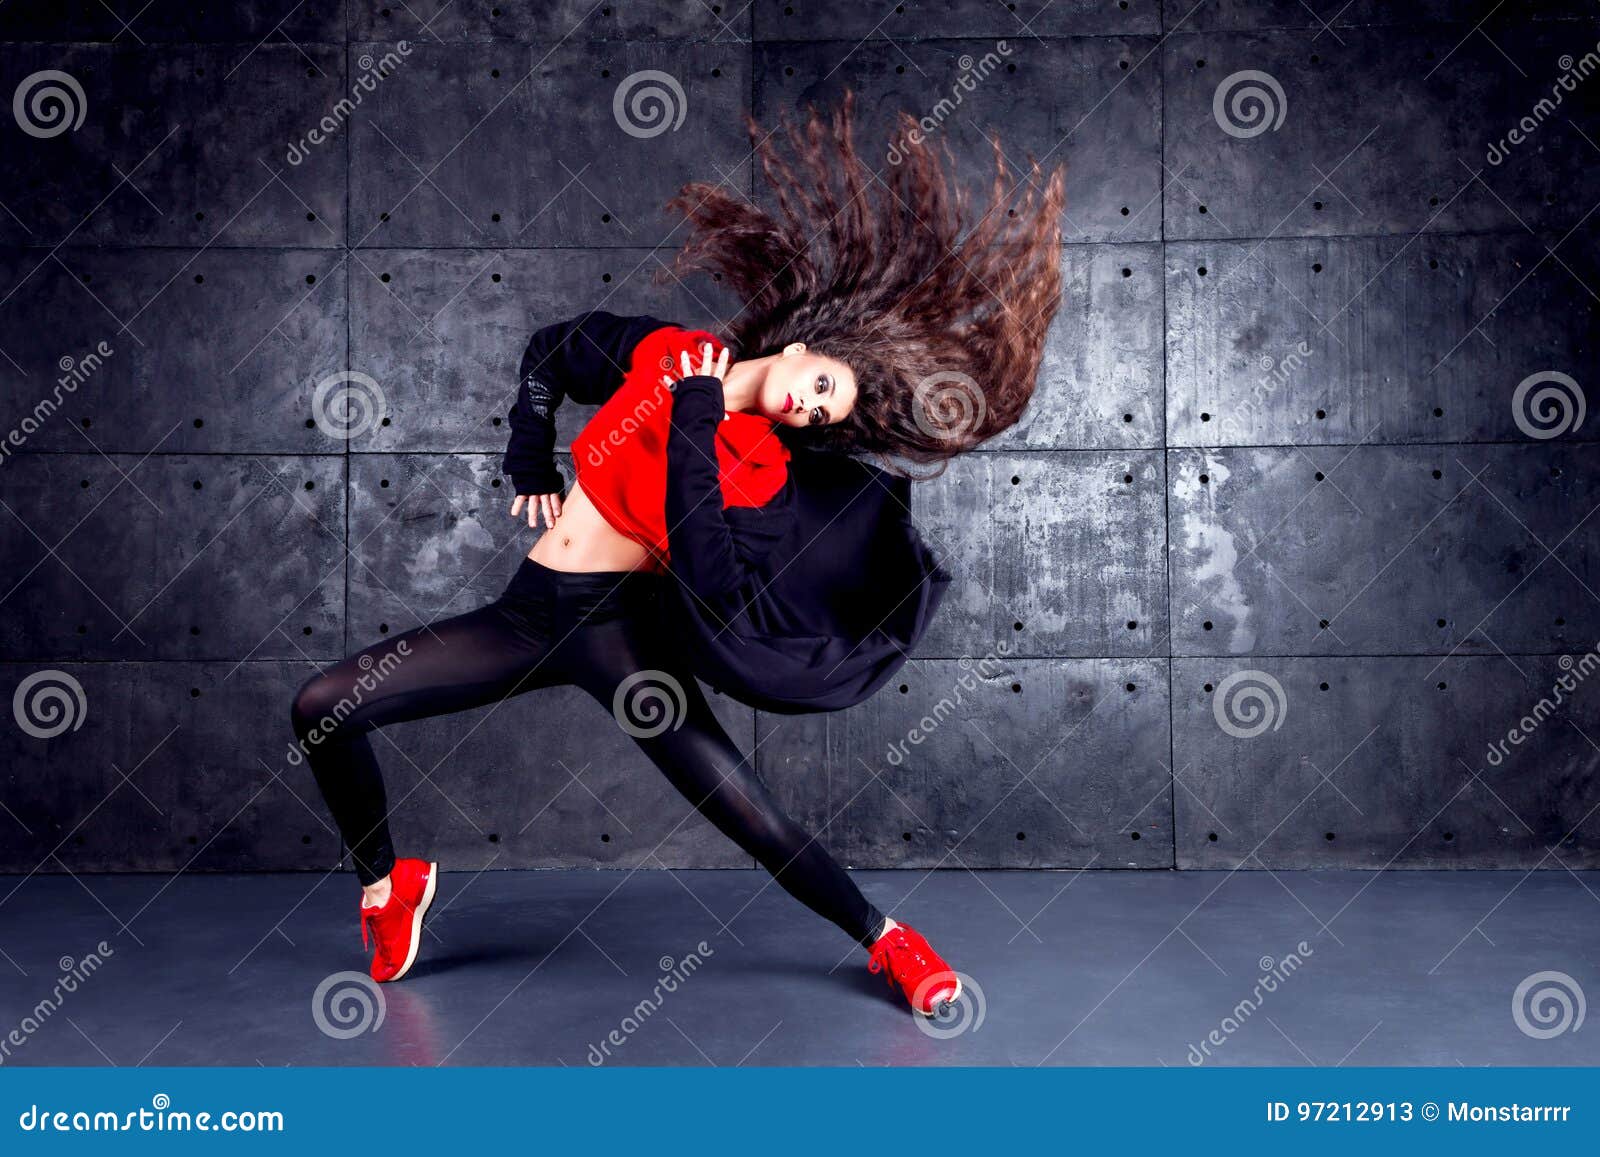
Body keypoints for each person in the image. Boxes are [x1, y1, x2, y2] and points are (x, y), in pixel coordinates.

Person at [291, 89, 1066, 1017]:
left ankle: (889, 941)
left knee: (751, 814)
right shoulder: (670, 351)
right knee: (324, 707)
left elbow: (707, 564)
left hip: (625, 642)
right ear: (803, 347)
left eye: (828, 410)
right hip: (529, 615)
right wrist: (527, 453)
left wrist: (701, 412)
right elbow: (552, 351)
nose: (813, 405)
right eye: (821, 383)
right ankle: (389, 886)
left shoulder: (761, 470)